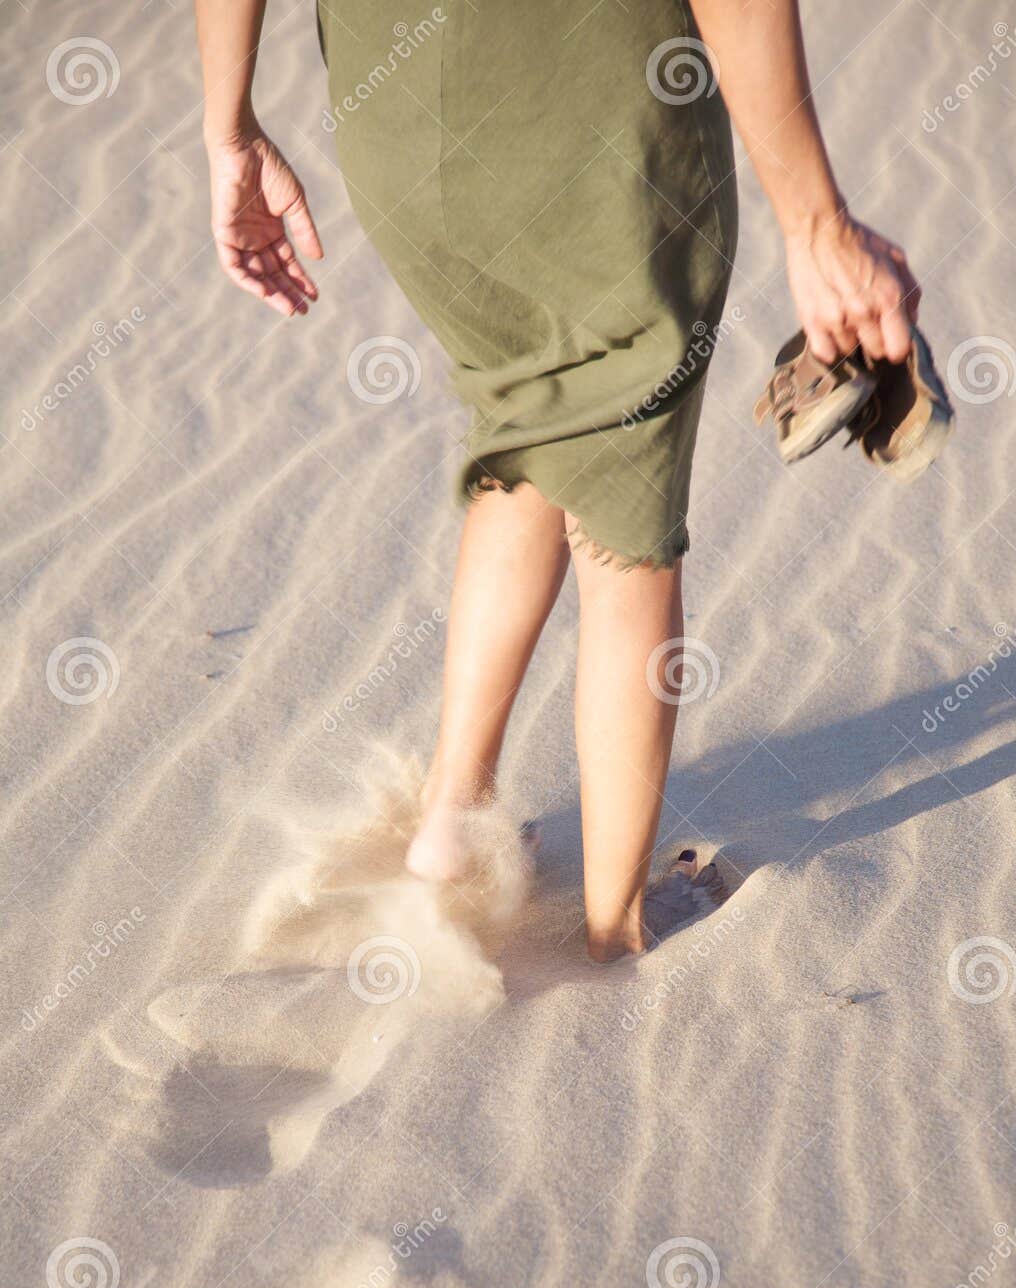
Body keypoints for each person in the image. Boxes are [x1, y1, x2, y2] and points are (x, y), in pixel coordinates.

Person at [194, 1, 919, 961]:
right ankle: (616, 924)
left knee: (527, 412)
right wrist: (815, 219)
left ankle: (452, 825)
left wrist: (229, 126)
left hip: (403, 129)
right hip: (598, 121)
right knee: (628, 505)